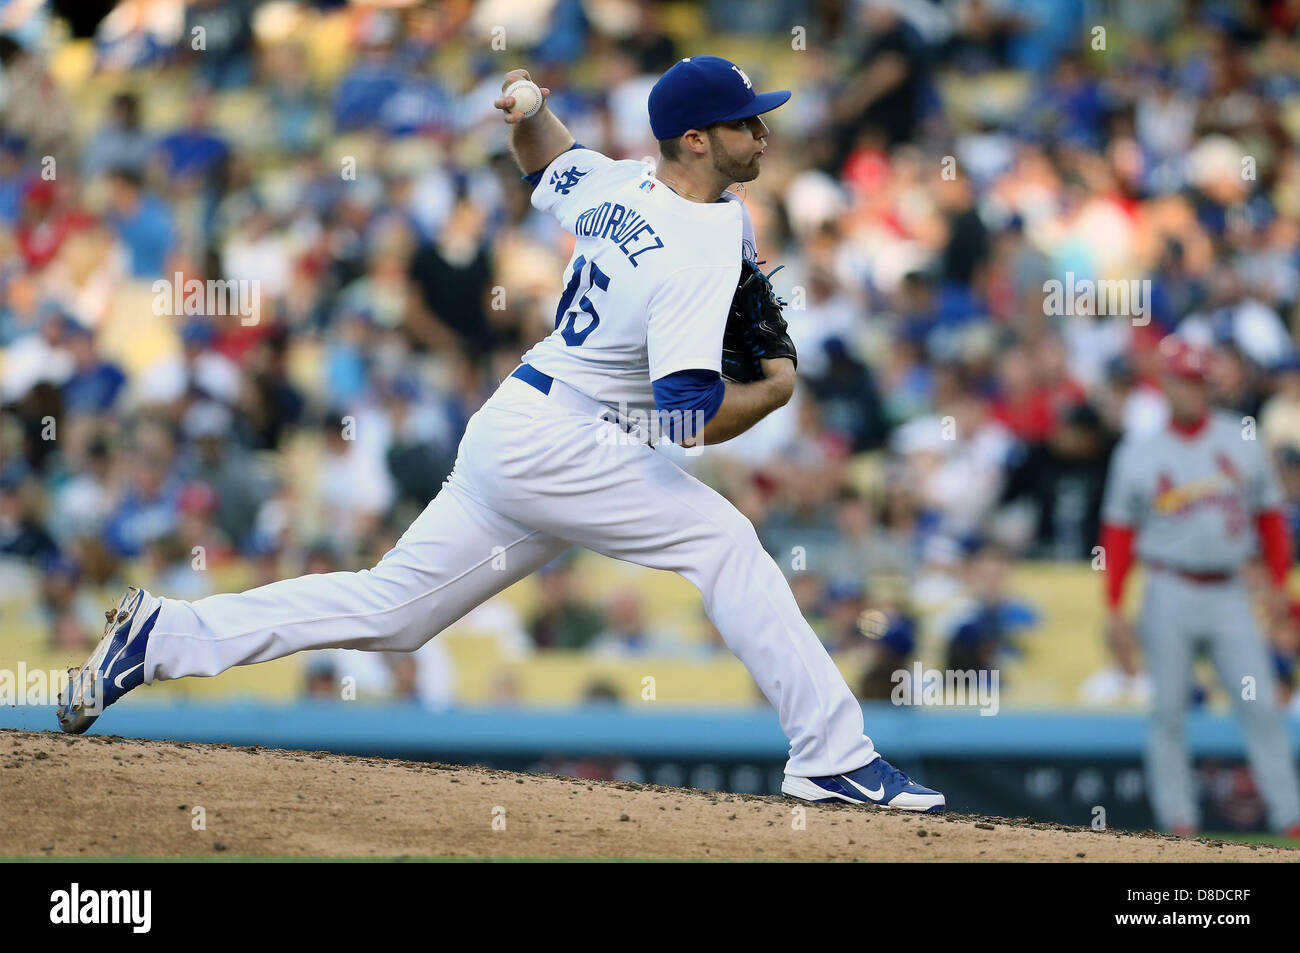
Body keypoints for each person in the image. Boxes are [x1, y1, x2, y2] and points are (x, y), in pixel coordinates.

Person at [58, 57, 944, 813]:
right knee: (725, 542)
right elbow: (682, 422)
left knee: (394, 611)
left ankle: (163, 633)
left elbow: (545, 162)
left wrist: (531, 113)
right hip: (563, 440)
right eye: (748, 122)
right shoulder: (700, 241)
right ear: (699, 140)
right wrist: (777, 390)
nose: (765, 133)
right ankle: (830, 754)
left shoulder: (624, 181)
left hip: (522, 422)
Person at [1099, 335, 1300, 836]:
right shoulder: (1140, 453)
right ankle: (1179, 826)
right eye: (1182, 380)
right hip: (1168, 587)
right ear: (1165, 383)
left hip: (1231, 589)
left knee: (1259, 706)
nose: (1191, 390)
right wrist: (1113, 606)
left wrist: (1278, 583)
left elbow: (1272, 518)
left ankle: (1291, 820)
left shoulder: (1239, 440)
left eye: (1198, 381)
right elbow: (1117, 537)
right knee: (1168, 713)